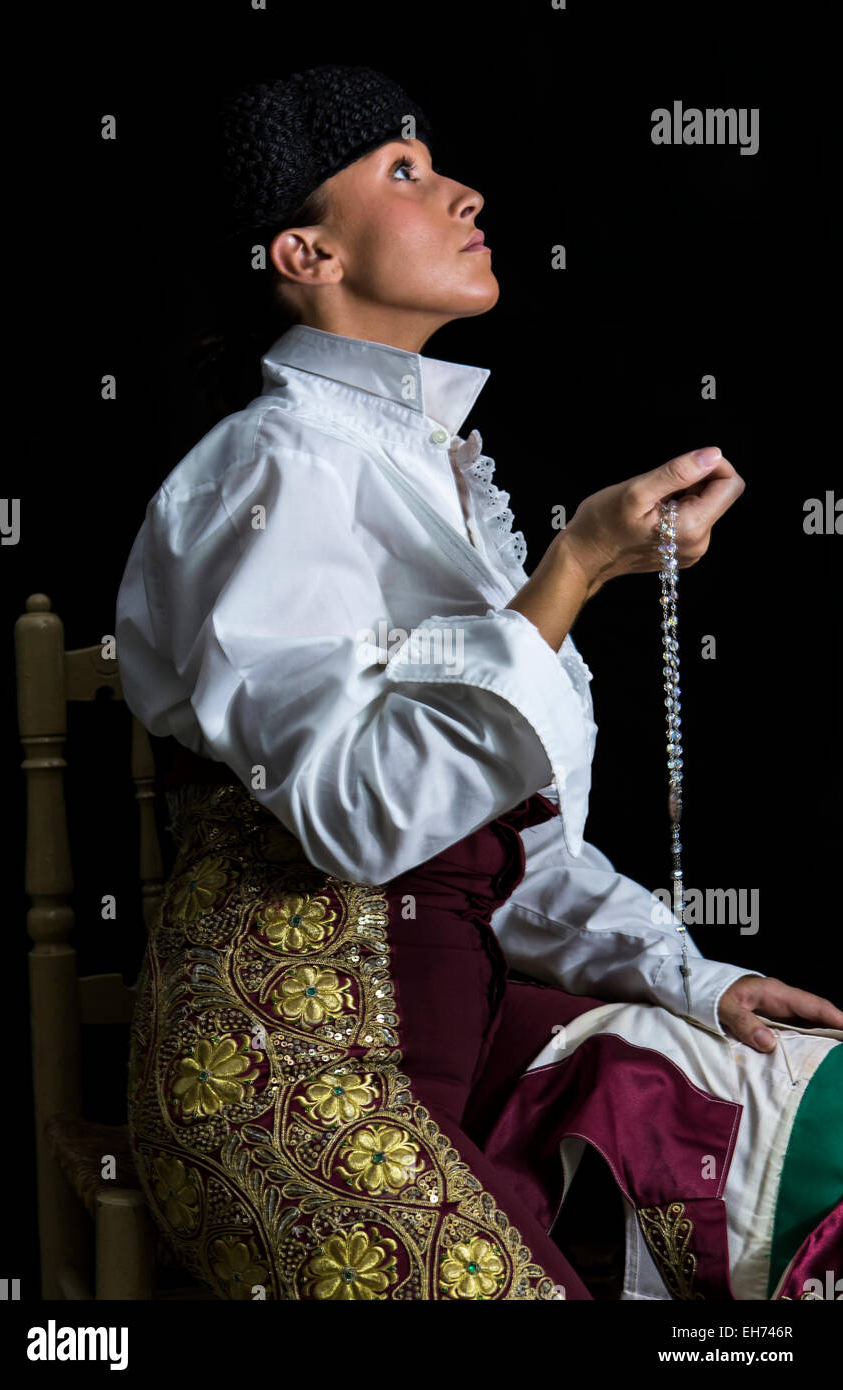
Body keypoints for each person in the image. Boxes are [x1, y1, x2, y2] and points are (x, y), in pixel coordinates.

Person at [116, 65, 843, 1301]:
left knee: (817, 1115)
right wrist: (570, 574)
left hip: (460, 1036)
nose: (463, 192)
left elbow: (521, 853)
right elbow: (354, 821)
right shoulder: (269, 470)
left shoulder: (441, 477)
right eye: (403, 174)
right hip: (279, 1071)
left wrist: (691, 974)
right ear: (305, 250)